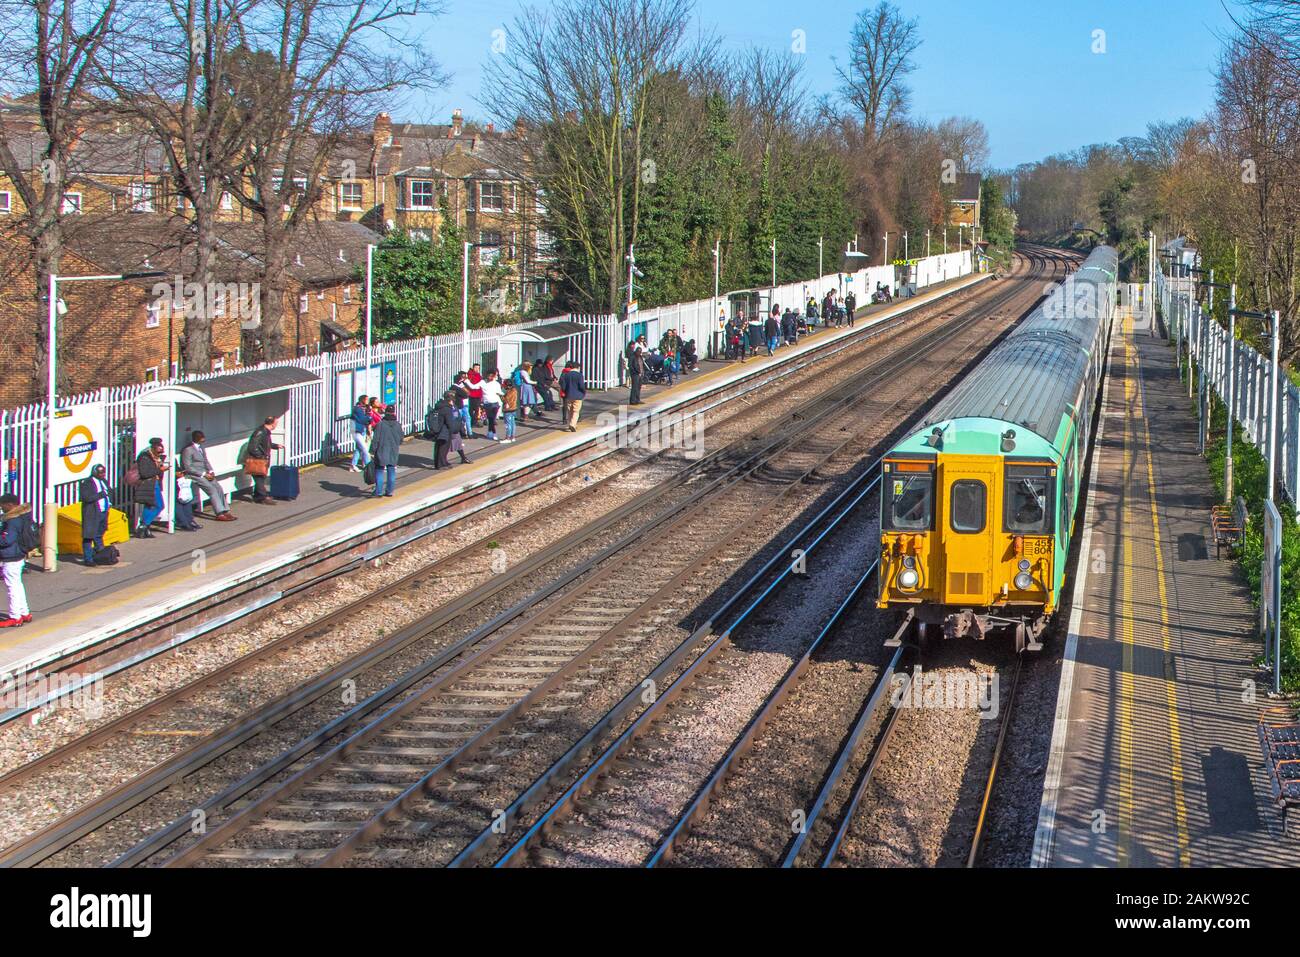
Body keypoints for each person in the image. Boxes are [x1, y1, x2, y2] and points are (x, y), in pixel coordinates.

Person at [181, 430, 236, 522]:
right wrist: (203, 474)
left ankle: (225, 510)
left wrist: (211, 471)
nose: (204, 439)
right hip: (196, 475)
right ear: (197, 438)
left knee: (219, 488)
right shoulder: (188, 450)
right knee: (212, 490)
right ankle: (219, 513)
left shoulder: (201, 448)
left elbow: (205, 460)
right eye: (202, 438)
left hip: (206, 473)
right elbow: (188, 467)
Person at [0, 495, 33, 627]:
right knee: (18, 584)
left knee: (11, 587)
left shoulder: (12, 520)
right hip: (19, 554)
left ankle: (15, 617)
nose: (1, 508)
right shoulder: (23, 516)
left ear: (10, 504)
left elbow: (7, 540)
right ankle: (24, 612)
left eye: (2, 505)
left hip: (11, 556)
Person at [134, 436, 168, 535]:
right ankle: (144, 525)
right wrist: (160, 470)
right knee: (159, 505)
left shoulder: (154, 457)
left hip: (154, 483)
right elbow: (145, 473)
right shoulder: (145, 457)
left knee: (149, 506)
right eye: (159, 450)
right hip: (149, 484)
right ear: (154, 447)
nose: (160, 453)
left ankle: (145, 529)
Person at [79, 463, 112, 564]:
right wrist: (101, 494)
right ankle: (88, 558)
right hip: (92, 513)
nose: (103, 474)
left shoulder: (104, 481)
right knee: (88, 536)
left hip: (104, 511)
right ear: (94, 472)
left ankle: (99, 553)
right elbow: (86, 498)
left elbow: (109, 491)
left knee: (99, 533)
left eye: (104, 472)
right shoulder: (87, 483)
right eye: (100, 472)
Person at [245, 417, 280, 505]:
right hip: (258, 460)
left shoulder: (265, 432)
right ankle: (263, 497)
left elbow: (265, 444)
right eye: (276, 423)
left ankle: (258, 496)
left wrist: (275, 446)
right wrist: (261, 456)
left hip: (262, 459)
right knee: (259, 478)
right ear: (272, 424)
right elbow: (252, 447)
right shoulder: (260, 432)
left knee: (261, 477)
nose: (276, 425)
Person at [369, 407, 402, 496]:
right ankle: (390, 491)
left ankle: (378, 492)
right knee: (391, 470)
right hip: (393, 451)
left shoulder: (380, 424)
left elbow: (375, 439)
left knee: (379, 470)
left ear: (386, 413)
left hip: (381, 450)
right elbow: (401, 439)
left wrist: (372, 450)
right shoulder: (398, 425)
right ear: (394, 413)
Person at [430, 391, 461, 468]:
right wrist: (454, 429)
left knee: (439, 447)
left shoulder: (440, 406)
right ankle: (441, 464)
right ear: (451, 399)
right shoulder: (447, 409)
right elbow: (449, 422)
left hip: (439, 430)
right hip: (445, 431)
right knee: (443, 448)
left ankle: (441, 463)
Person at [558, 360, 586, 432]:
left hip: (569, 395)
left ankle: (570, 424)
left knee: (569, 411)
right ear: (578, 367)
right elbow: (581, 386)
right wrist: (583, 392)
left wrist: (565, 392)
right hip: (578, 396)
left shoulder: (566, 375)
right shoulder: (579, 375)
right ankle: (573, 424)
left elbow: (563, 386)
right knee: (576, 411)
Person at [349, 394, 372, 472]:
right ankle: (368, 466)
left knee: (358, 449)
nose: (368, 401)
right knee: (364, 449)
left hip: (362, 430)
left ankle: (353, 465)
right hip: (356, 431)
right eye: (366, 400)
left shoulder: (364, 409)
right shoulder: (357, 409)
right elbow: (362, 419)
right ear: (362, 400)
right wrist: (369, 417)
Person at [479, 369, 504, 440]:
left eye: (492, 376)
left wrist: (505, 396)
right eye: (489, 376)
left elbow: (499, 392)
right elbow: (474, 387)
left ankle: (494, 433)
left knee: (492, 419)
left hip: (495, 403)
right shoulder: (482, 382)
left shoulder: (496, 383)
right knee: (490, 419)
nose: (490, 378)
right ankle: (490, 432)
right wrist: (466, 381)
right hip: (487, 403)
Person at [627, 335, 646, 405]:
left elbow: (642, 365)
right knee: (634, 388)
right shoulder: (633, 356)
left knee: (638, 387)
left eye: (640, 352)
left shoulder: (640, 357)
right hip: (635, 374)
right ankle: (632, 400)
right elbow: (631, 365)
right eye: (639, 352)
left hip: (640, 374)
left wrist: (642, 372)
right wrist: (635, 372)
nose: (640, 353)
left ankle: (637, 399)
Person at [466, 363, 485, 429]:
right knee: (471, 409)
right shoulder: (470, 374)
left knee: (477, 409)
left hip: (478, 394)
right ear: (473, 367)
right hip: (473, 394)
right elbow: (473, 385)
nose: (477, 369)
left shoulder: (478, 375)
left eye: (478, 368)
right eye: (476, 368)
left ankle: (474, 422)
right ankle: (472, 422)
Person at [501, 380, 519, 444]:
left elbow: (506, 400)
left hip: (508, 410)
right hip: (514, 409)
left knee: (508, 424)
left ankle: (508, 437)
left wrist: (501, 396)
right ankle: (513, 437)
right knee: (513, 423)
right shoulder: (515, 390)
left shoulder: (509, 392)